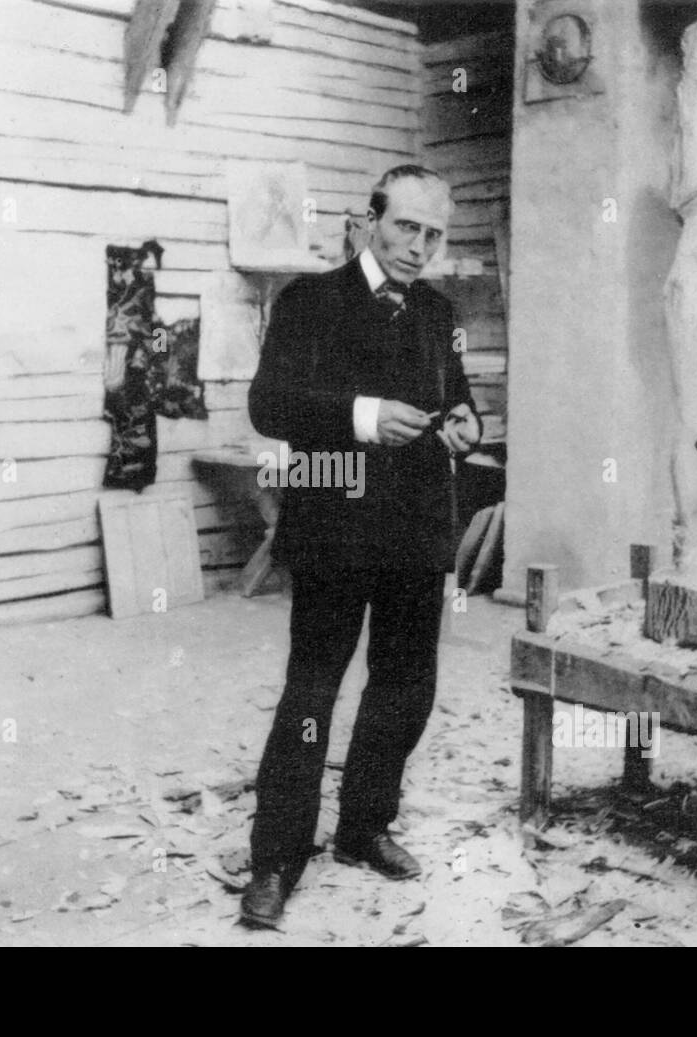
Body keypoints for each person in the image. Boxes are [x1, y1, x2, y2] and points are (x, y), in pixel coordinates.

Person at [240, 165, 481, 929]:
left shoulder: (441, 313)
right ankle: (277, 858)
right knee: (312, 692)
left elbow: (459, 393)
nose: (419, 246)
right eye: (407, 227)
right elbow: (268, 403)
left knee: (405, 687)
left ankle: (363, 825)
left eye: (434, 235)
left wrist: (468, 423)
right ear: (369, 220)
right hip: (335, 530)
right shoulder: (309, 301)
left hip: (416, 531)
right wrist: (366, 416)